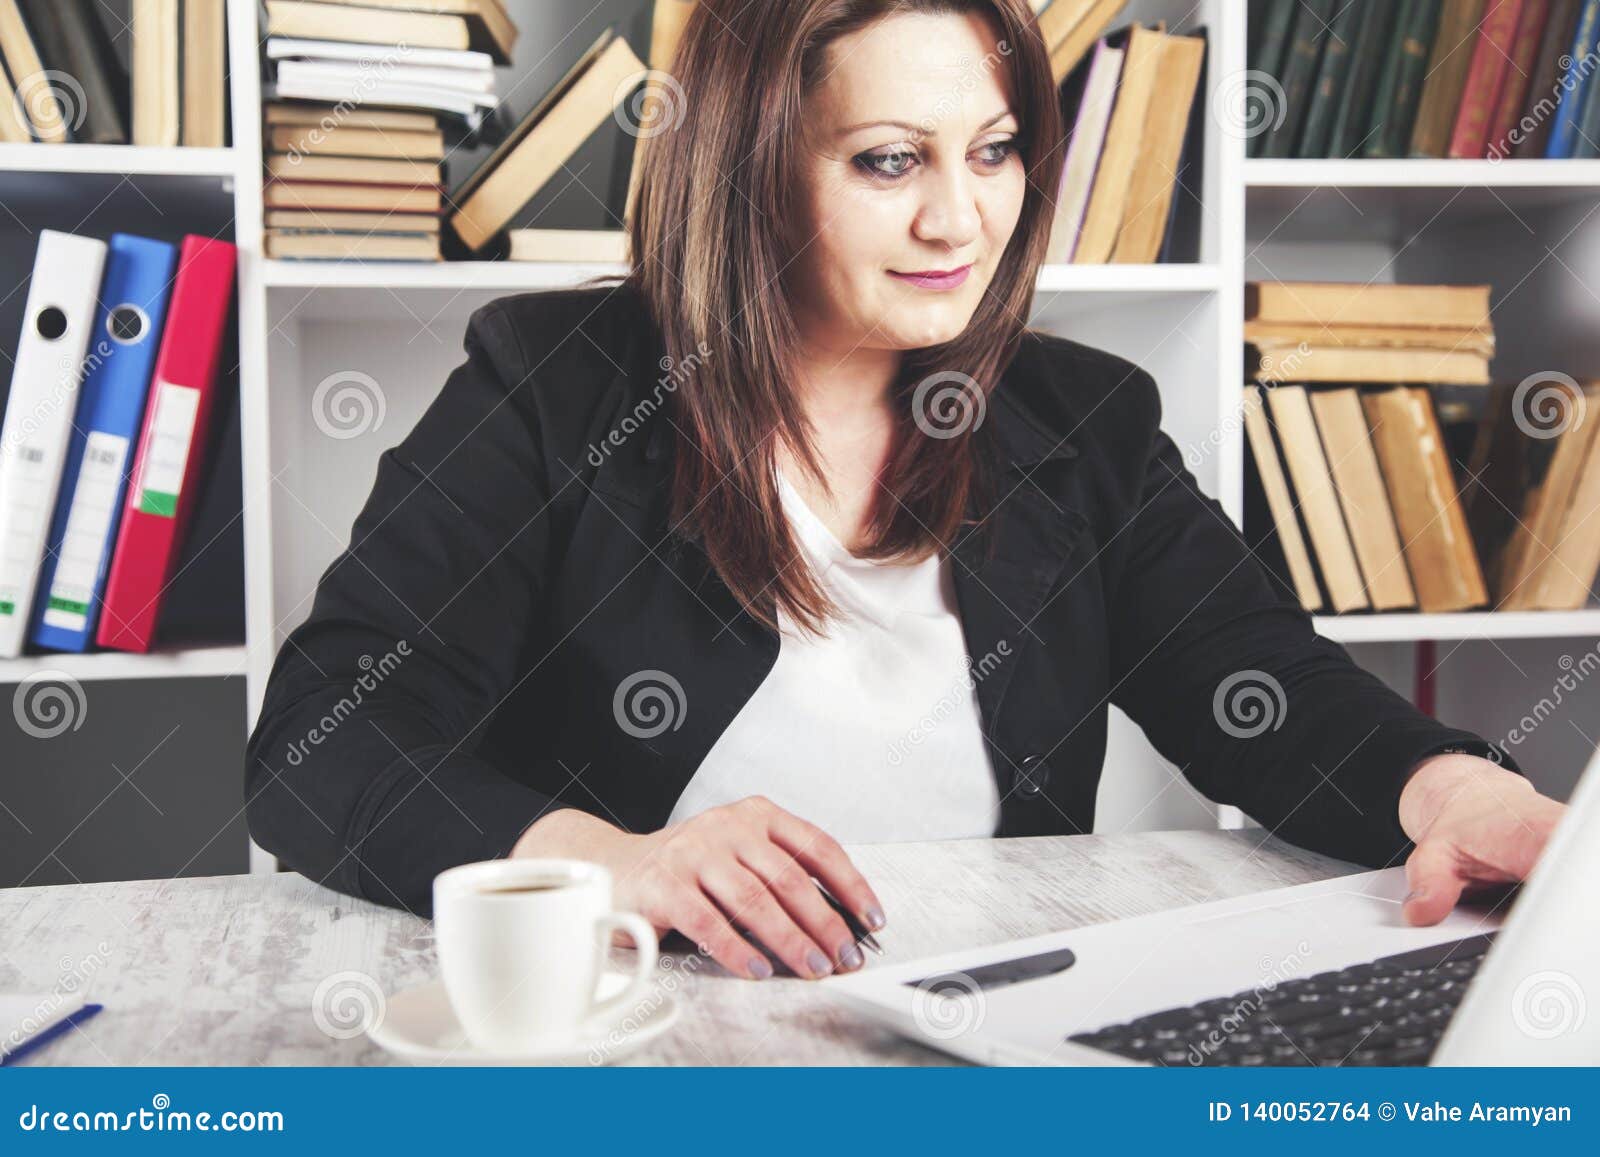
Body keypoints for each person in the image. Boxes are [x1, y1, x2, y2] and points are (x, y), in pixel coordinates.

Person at [244, 0, 1566, 985]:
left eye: (993, 152)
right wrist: (617, 859)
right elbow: (322, 742)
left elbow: (1257, 681)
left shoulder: (1084, 420)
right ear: (752, 168)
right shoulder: (555, 387)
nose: (961, 221)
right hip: (648, 1036)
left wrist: (1453, 789)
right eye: (890, 160)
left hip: (982, 1033)